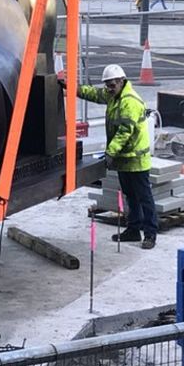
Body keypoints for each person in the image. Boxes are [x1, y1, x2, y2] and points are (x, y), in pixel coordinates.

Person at [61, 64, 157, 249]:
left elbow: (124, 132)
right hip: (124, 159)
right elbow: (95, 94)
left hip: (136, 160)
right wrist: (72, 88)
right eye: (107, 85)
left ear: (122, 81)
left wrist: (110, 153)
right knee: (131, 196)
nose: (108, 88)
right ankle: (134, 230)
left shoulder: (129, 102)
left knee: (144, 197)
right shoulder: (115, 95)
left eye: (112, 84)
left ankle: (150, 234)